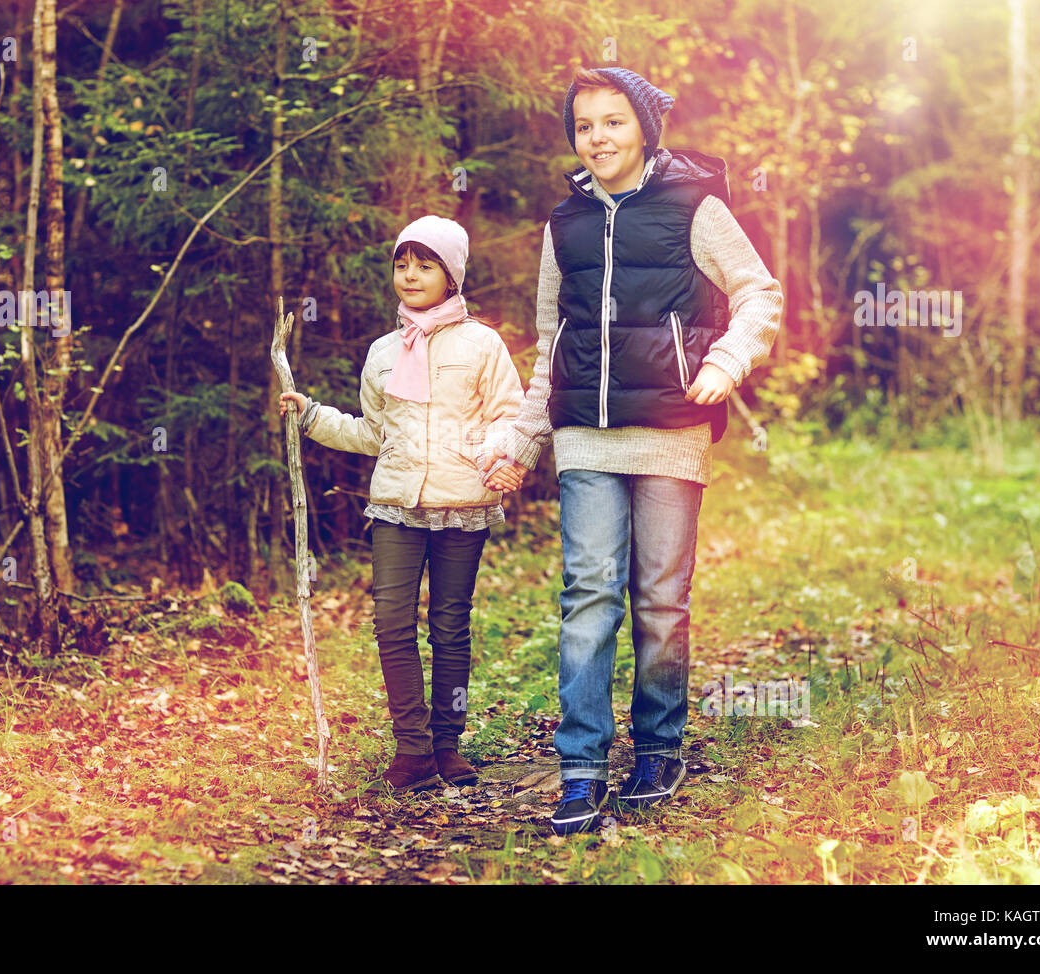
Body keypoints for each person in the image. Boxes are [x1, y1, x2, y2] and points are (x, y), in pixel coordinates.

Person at [479, 67, 783, 834]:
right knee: (587, 598)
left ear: (644, 128)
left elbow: (758, 292)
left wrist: (725, 361)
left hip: (672, 434)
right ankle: (580, 768)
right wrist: (521, 439)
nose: (598, 138)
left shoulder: (695, 205)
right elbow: (552, 342)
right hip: (584, 434)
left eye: (613, 122)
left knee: (659, 600)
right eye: (585, 126)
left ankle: (658, 747)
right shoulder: (565, 224)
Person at [279, 215, 526, 792]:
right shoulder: (383, 352)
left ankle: (448, 745)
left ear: (452, 275)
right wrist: (313, 417)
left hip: (463, 502)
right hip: (395, 504)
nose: (410, 275)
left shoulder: (482, 343)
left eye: (425, 265)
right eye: (402, 264)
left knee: (449, 624)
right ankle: (412, 749)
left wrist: (492, 458)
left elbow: (509, 415)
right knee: (391, 623)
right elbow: (373, 433)